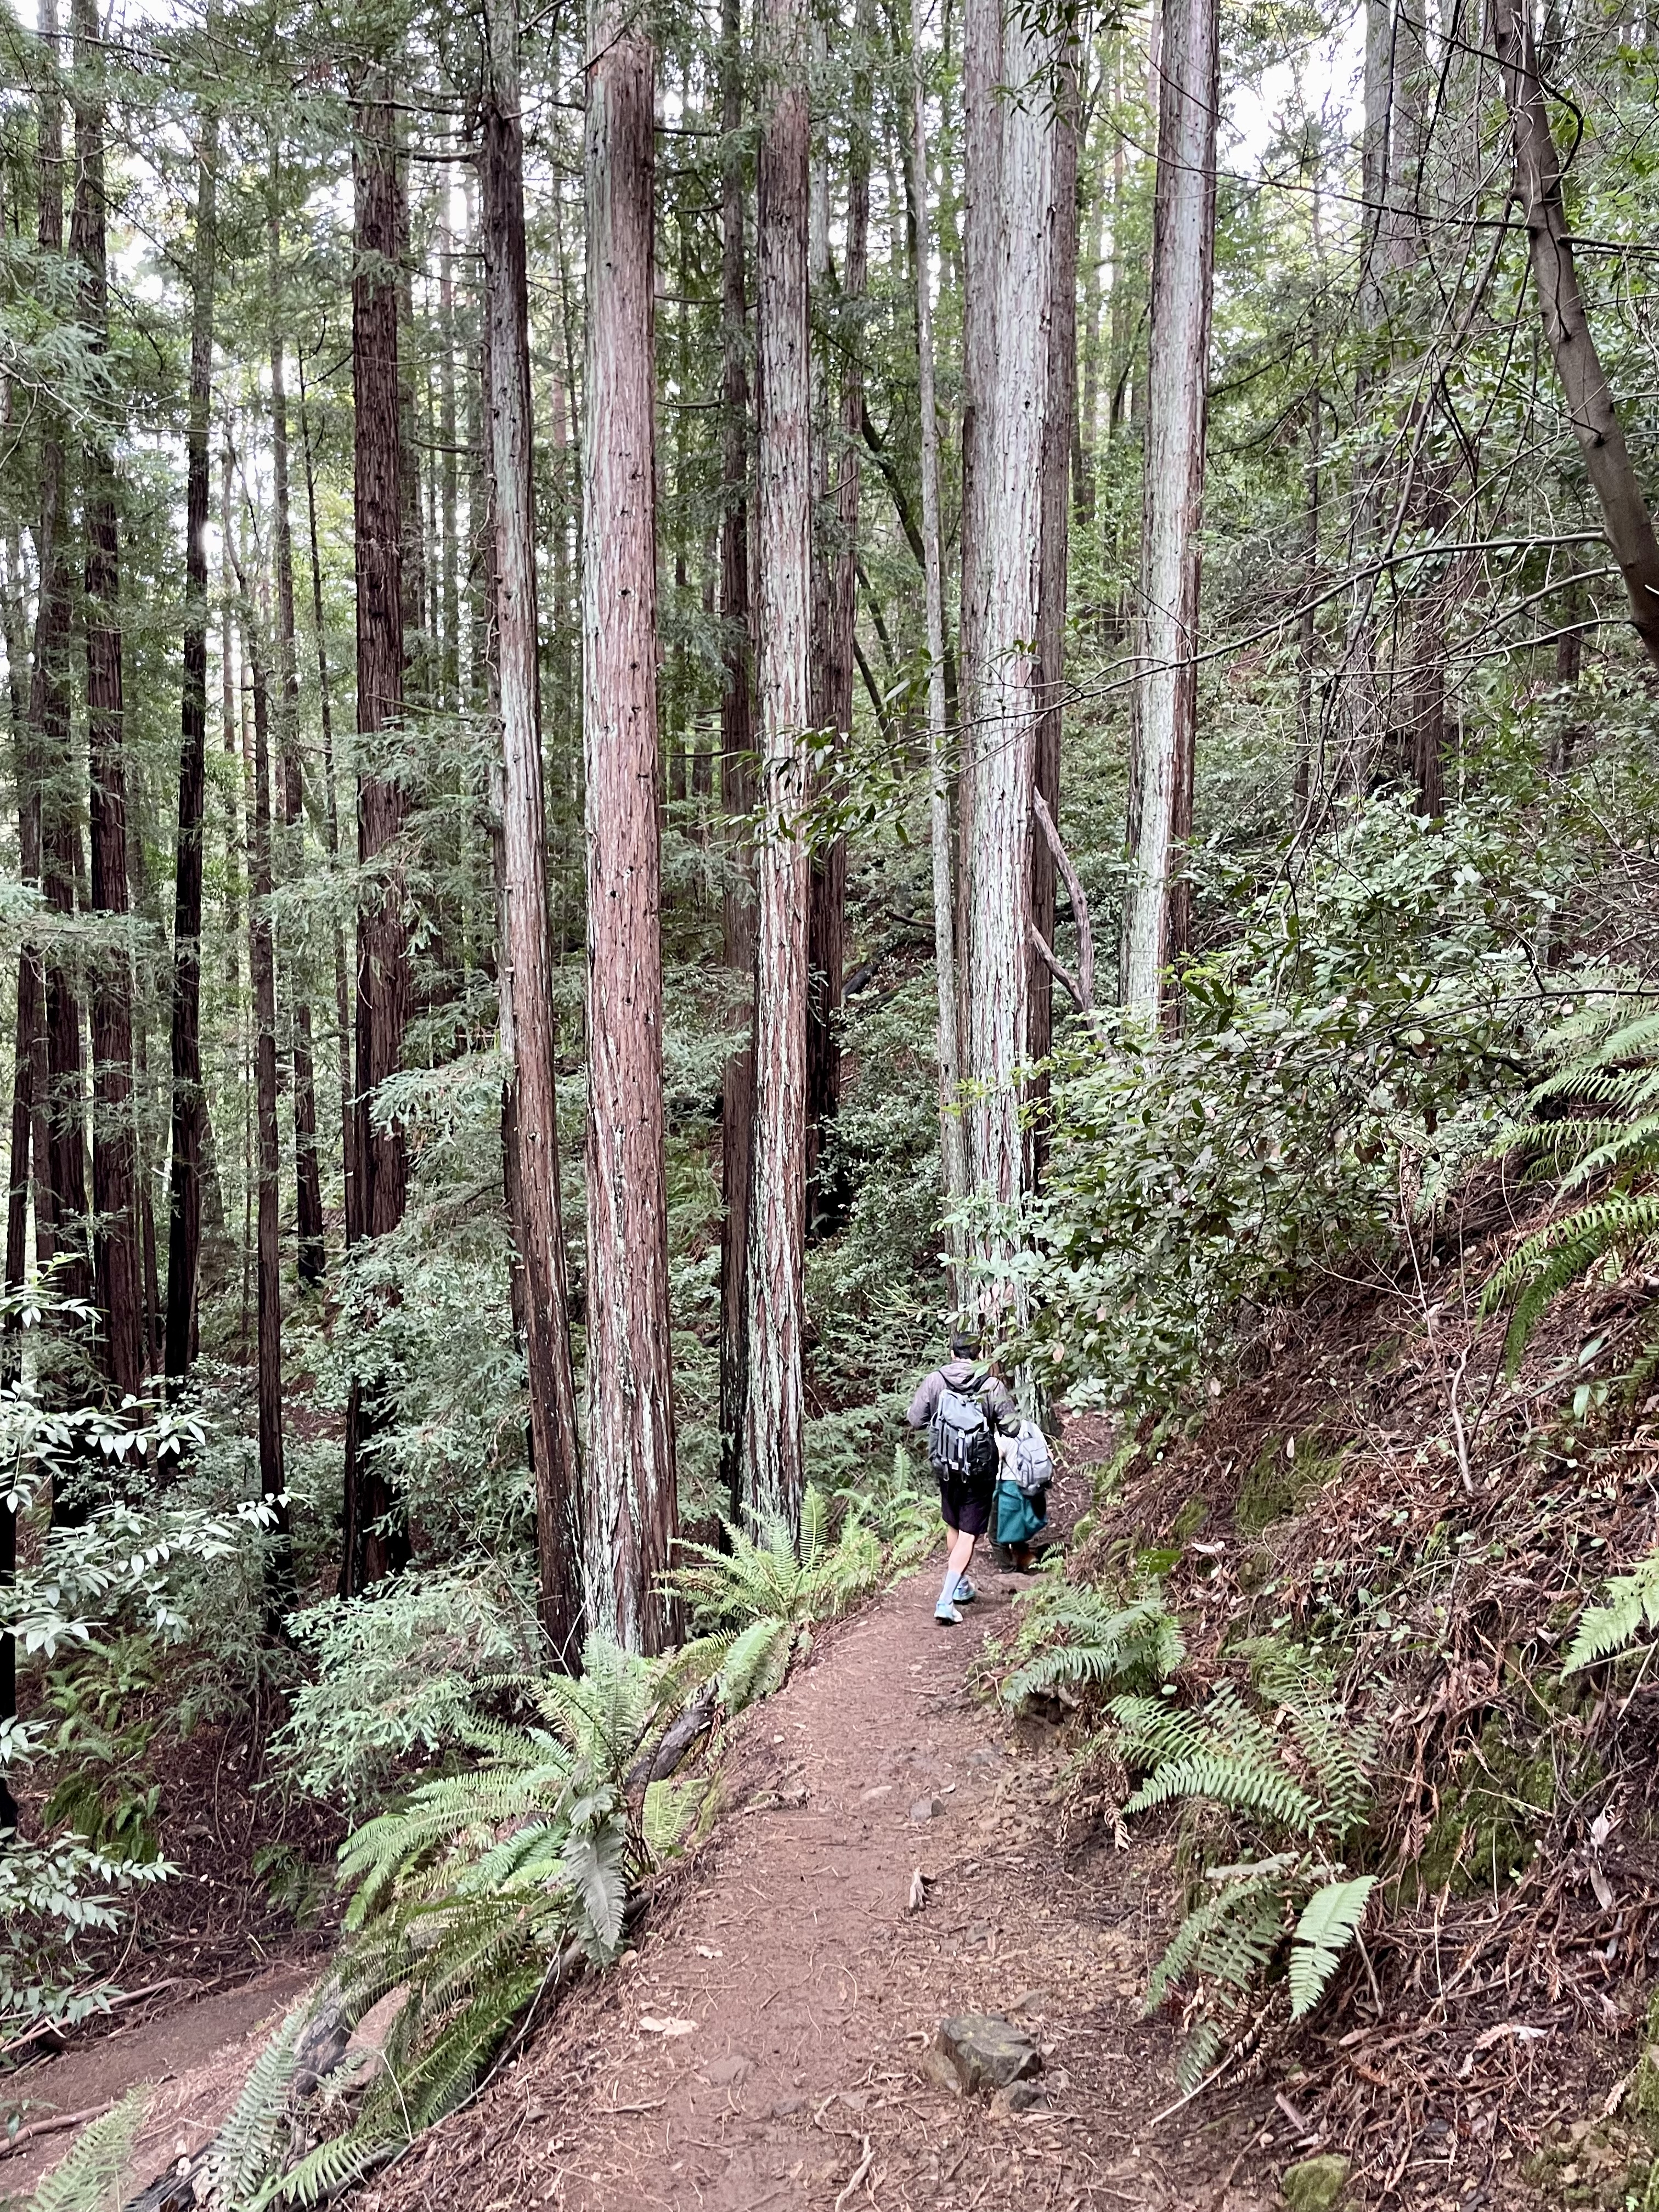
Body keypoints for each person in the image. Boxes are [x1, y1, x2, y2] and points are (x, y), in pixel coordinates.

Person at [906, 1330, 1020, 1625]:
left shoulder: (936, 1381)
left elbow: (915, 1419)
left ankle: (959, 1585)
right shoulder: (991, 1385)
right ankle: (945, 1599)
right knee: (969, 1533)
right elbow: (1012, 1429)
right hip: (980, 1470)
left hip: (946, 1467)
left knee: (953, 1523)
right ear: (979, 1354)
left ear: (952, 1352)